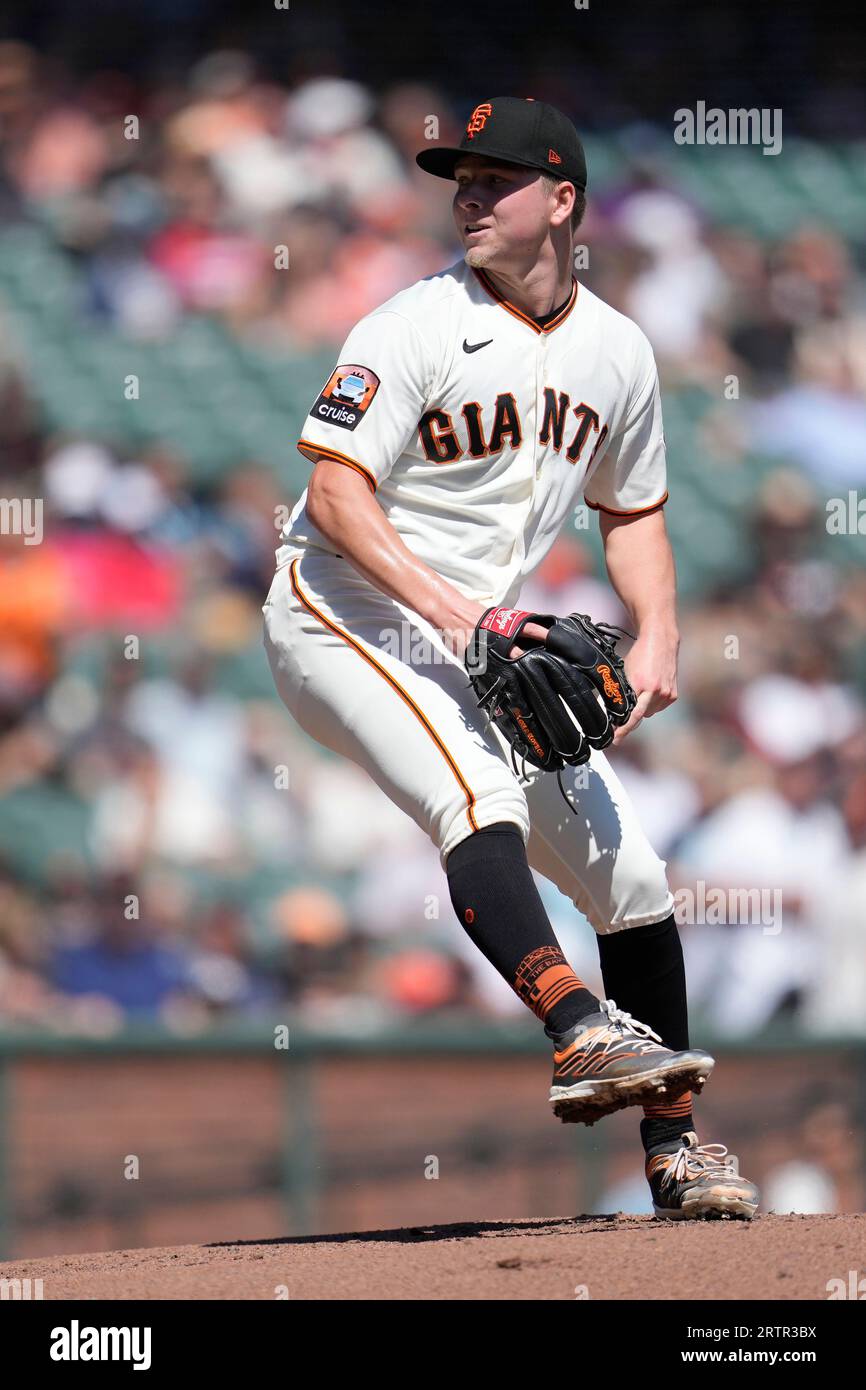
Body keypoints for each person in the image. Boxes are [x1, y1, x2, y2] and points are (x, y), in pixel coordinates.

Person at [263, 96, 759, 1220]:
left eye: (496, 178)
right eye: (459, 178)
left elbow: (628, 509)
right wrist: (451, 613)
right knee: (475, 792)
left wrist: (660, 632)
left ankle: (675, 1151)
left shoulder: (617, 350)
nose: (469, 196)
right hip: (339, 607)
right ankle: (574, 1025)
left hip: (473, 633)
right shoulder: (410, 325)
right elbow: (334, 495)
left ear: (563, 201)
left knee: (631, 880)